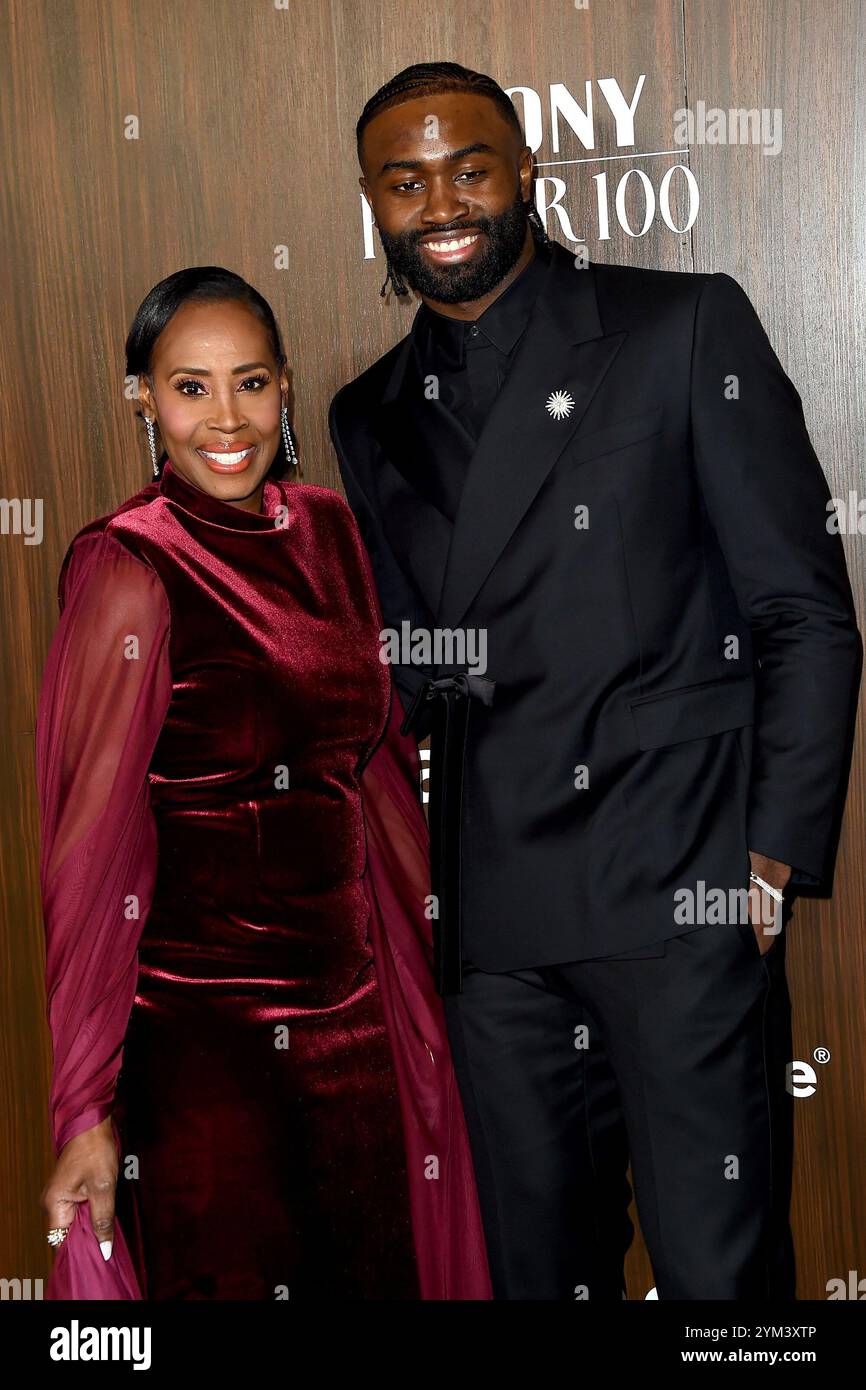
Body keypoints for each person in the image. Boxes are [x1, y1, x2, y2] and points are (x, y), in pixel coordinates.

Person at [328, 62, 863, 1300]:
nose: (440, 201)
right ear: (374, 207)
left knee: (719, 1283)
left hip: (674, 891)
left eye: (467, 167)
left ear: (526, 172)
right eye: (403, 183)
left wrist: (768, 859)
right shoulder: (366, 413)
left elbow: (801, 613)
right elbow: (408, 667)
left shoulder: (679, 327)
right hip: (496, 924)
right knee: (537, 1278)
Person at [37, 266, 491, 1300]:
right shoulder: (129, 562)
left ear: (285, 387)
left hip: (359, 1027)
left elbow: (370, 771)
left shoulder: (329, 529)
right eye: (190, 387)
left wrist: (424, 991)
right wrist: (81, 1107)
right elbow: (87, 849)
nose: (226, 417)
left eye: (251, 382)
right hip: (208, 1054)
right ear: (141, 397)